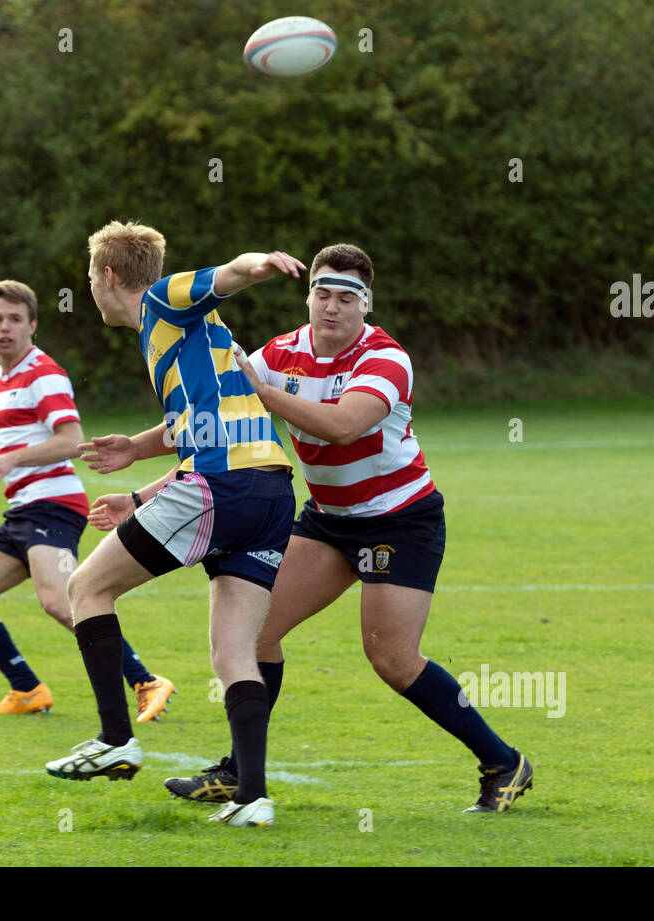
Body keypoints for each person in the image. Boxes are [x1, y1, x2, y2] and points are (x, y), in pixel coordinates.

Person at [85, 244, 533, 813]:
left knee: (392, 659)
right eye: (323, 293)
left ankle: (503, 761)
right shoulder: (283, 351)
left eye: (347, 298)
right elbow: (224, 414)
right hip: (326, 521)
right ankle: (240, 773)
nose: (332, 307)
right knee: (254, 635)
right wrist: (139, 459)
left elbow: (343, 427)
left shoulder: (386, 359)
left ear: (365, 306)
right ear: (308, 296)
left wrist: (266, 390)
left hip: (399, 521)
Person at [42, 221, 300, 828]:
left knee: (86, 588)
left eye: (90, 279)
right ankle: (252, 797)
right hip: (271, 491)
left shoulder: (161, 302)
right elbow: (198, 424)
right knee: (234, 650)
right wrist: (135, 454)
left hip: (222, 486)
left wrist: (259, 261)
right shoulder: (191, 340)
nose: (92, 290)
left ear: (108, 277)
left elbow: (228, 273)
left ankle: (115, 738)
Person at [0, 279, 175, 722]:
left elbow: (71, 440)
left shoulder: (44, 374)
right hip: (20, 512)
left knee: (60, 601)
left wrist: (12, 459)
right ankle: (26, 688)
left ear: (32, 325)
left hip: (55, 506)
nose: (6, 328)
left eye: (15, 320)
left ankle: (145, 680)